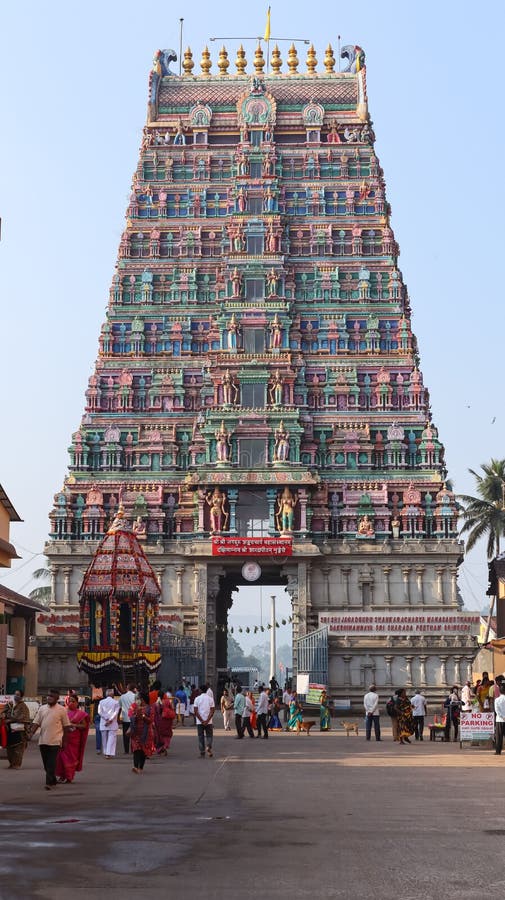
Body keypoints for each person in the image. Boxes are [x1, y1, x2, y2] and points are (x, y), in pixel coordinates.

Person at [31, 689, 71, 790]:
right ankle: (53, 779)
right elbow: (36, 723)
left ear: (57, 698)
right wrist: (30, 734)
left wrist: (65, 741)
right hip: (43, 740)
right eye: (48, 696)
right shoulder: (42, 708)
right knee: (46, 763)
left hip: (55, 741)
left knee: (51, 763)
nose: (49, 698)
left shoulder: (62, 710)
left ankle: (49, 783)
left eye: (52, 696)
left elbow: (66, 726)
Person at [55, 694, 90, 783]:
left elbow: (84, 725)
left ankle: (69, 777)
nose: (71, 703)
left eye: (73, 701)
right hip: (62, 738)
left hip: (74, 740)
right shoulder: (63, 712)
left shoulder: (81, 714)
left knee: (71, 758)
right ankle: (62, 776)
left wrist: (74, 725)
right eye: (69, 701)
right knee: (61, 757)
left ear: (77, 703)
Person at [1, 689, 31, 769]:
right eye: (15, 694)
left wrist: (10, 719)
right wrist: (4, 715)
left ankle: (17, 764)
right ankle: (11, 763)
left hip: (19, 731)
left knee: (18, 749)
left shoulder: (23, 707)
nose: (15, 696)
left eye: (18, 695)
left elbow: (24, 718)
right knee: (10, 748)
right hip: (9, 730)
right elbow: (3, 713)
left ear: (21, 696)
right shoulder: (10, 704)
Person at [129, 692, 155, 773]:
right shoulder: (135, 707)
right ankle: (135, 766)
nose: (137, 700)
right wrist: (135, 715)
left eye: (138, 698)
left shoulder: (150, 709)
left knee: (143, 750)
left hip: (146, 733)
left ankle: (140, 767)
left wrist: (143, 716)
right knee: (136, 749)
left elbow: (150, 720)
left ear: (142, 699)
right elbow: (131, 716)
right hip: (136, 732)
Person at [194, 683, 215, 758]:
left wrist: (202, 721)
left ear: (200, 690)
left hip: (199, 722)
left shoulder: (197, 699)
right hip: (209, 722)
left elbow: (196, 711)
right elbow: (212, 711)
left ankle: (202, 752)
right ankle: (208, 746)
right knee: (209, 735)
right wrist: (207, 720)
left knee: (201, 736)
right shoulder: (210, 699)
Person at [98, 689, 120, 758]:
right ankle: (109, 753)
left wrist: (106, 718)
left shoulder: (101, 702)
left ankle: (105, 752)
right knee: (111, 738)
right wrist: (110, 719)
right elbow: (116, 712)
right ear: (112, 695)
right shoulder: (116, 702)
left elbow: (99, 712)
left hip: (104, 722)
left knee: (104, 738)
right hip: (112, 722)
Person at [119, 683, 136, 754]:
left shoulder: (122, 696)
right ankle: (133, 749)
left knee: (125, 734)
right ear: (133, 689)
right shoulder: (135, 696)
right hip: (133, 718)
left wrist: (118, 717)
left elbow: (119, 707)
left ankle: (126, 750)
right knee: (133, 734)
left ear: (127, 688)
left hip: (125, 718)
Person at [494, 681, 505, 755]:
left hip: (500, 720)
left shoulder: (497, 700)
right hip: (502, 719)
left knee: (499, 737)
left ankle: (498, 751)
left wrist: (502, 716)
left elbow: (497, 710)